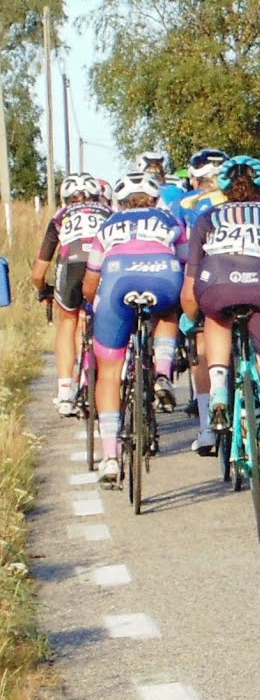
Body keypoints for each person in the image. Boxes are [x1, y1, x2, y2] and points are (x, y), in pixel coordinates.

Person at [182, 155, 260, 507]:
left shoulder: (206, 218)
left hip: (217, 289)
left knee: (215, 315)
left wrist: (190, 317)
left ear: (223, 188)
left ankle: (218, 391)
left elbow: (189, 290)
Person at [82, 172, 186, 482]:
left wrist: (92, 304)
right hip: (164, 278)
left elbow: (91, 280)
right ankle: (163, 373)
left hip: (117, 284)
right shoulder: (169, 220)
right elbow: (185, 262)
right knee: (168, 311)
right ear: (154, 198)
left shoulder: (107, 225)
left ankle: (110, 457)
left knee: (109, 372)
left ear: (120, 200)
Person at [30, 173, 112, 417]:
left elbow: (38, 272)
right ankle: (93, 376)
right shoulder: (109, 213)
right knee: (97, 318)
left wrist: (43, 290)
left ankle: (66, 390)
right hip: (101, 264)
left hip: (71, 264)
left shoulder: (60, 216)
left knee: (68, 321)